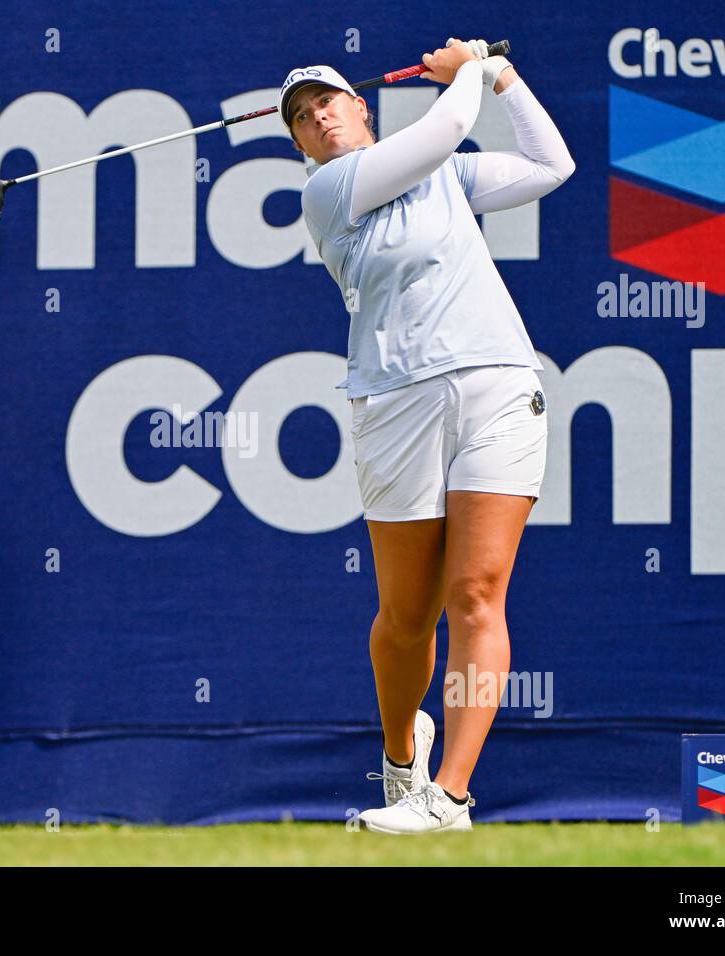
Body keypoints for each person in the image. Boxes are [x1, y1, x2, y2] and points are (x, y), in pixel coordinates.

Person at [281, 39, 575, 834]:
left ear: (360, 108)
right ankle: (401, 761)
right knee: (405, 616)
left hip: (498, 384)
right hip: (393, 403)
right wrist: (470, 68)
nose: (318, 118)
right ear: (303, 146)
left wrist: (506, 77)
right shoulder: (331, 191)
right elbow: (443, 131)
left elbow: (552, 166)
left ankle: (448, 797)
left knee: (476, 593)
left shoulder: (443, 175)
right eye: (302, 119)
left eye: (328, 102)